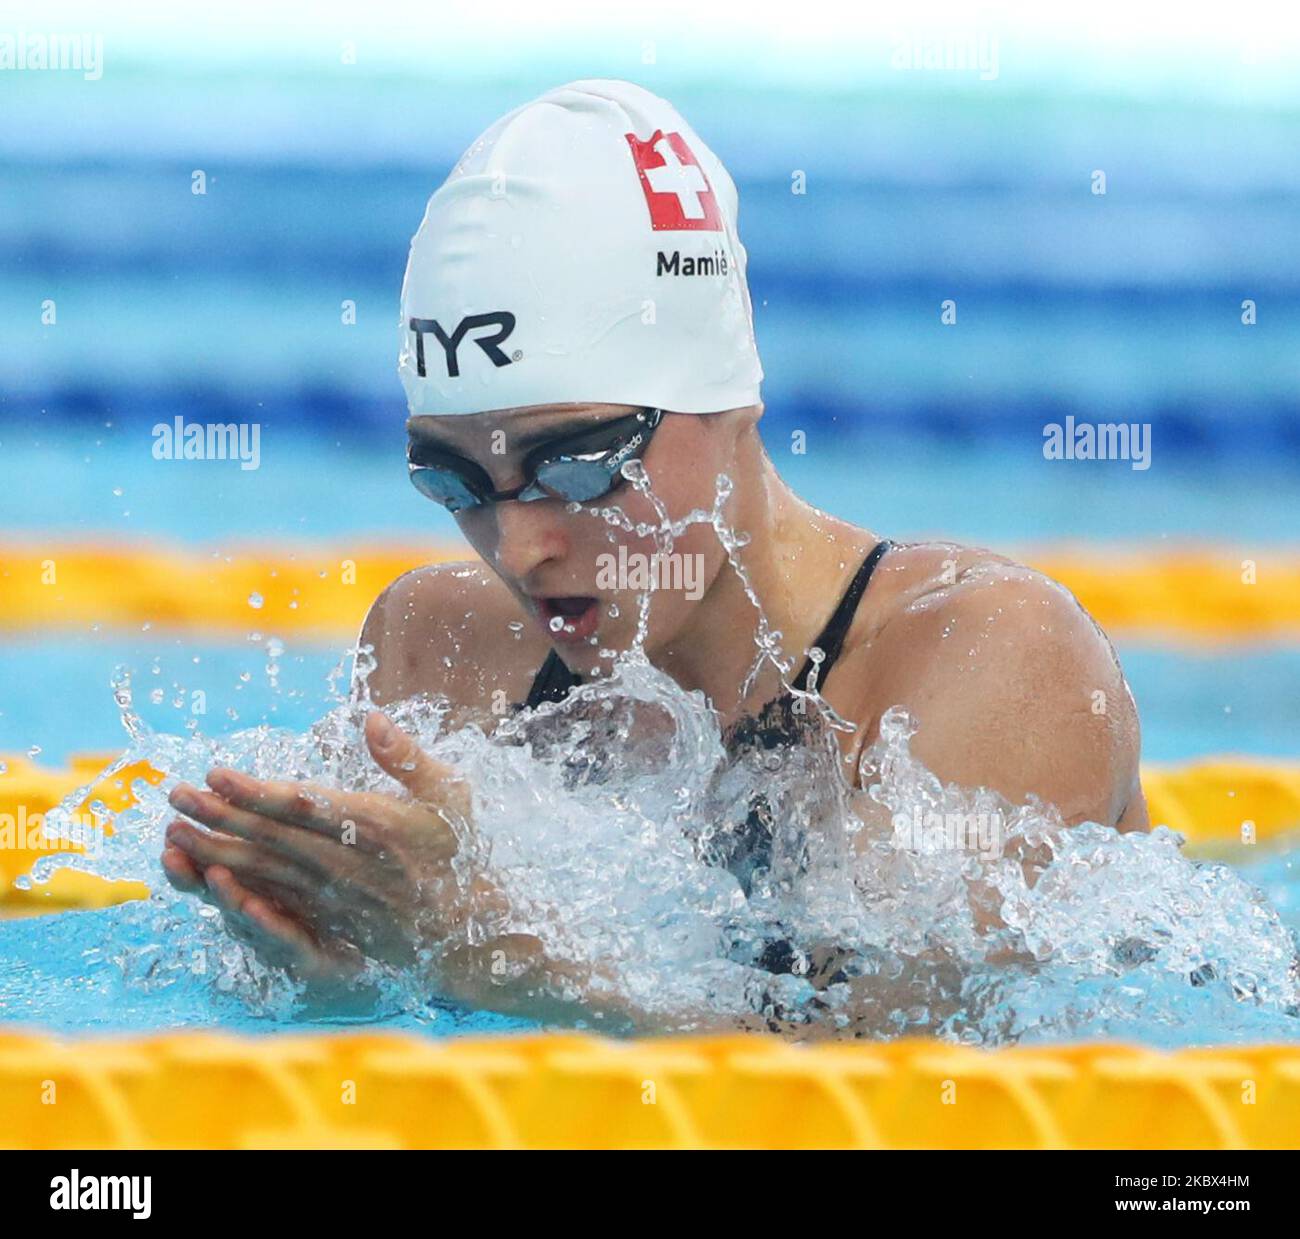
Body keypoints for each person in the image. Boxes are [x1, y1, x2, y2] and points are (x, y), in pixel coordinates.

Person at [160, 80, 1147, 1027]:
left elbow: (887, 1074)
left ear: (726, 398)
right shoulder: (441, 650)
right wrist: (324, 974)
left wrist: (488, 958)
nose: (519, 545)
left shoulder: (990, 660)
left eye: (578, 465)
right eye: (456, 482)